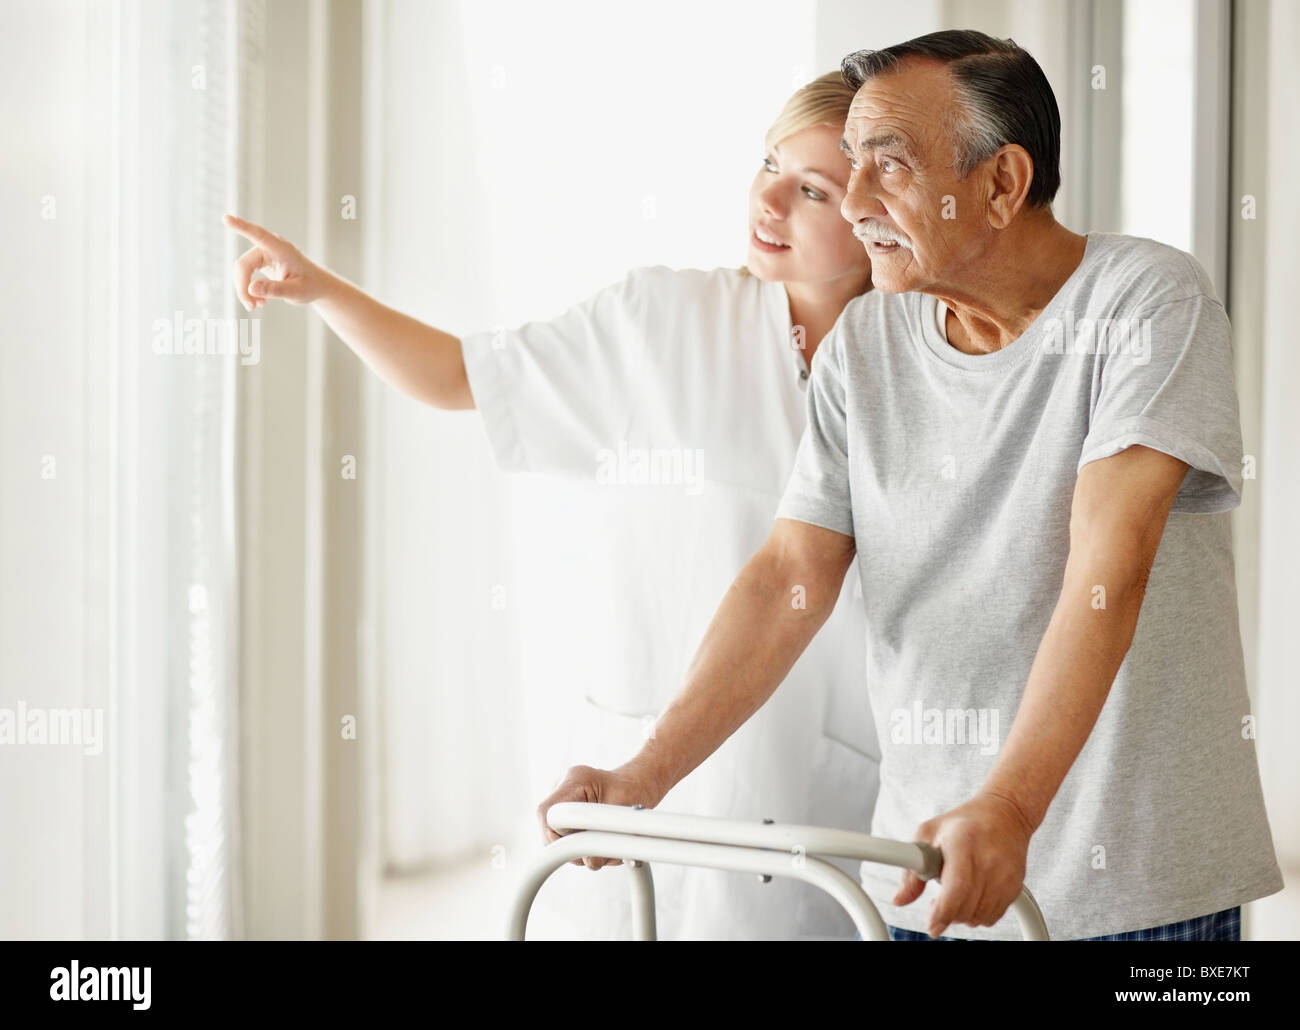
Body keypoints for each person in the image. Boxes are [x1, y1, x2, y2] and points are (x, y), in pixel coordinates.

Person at [539, 30, 1285, 942]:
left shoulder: (1147, 302)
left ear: (1003, 183)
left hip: (1138, 888)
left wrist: (1009, 809)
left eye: (885, 168)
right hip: (924, 878)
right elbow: (789, 577)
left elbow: (1109, 567)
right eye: (848, 166)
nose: (851, 204)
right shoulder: (868, 344)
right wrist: (643, 775)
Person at [225, 72, 882, 940]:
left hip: (826, 788)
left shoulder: (911, 363)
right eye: (767, 162)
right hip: (654, 778)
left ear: (879, 218)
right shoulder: (662, 324)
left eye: (811, 190)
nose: (765, 198)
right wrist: (323, 292)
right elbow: (464, 376)